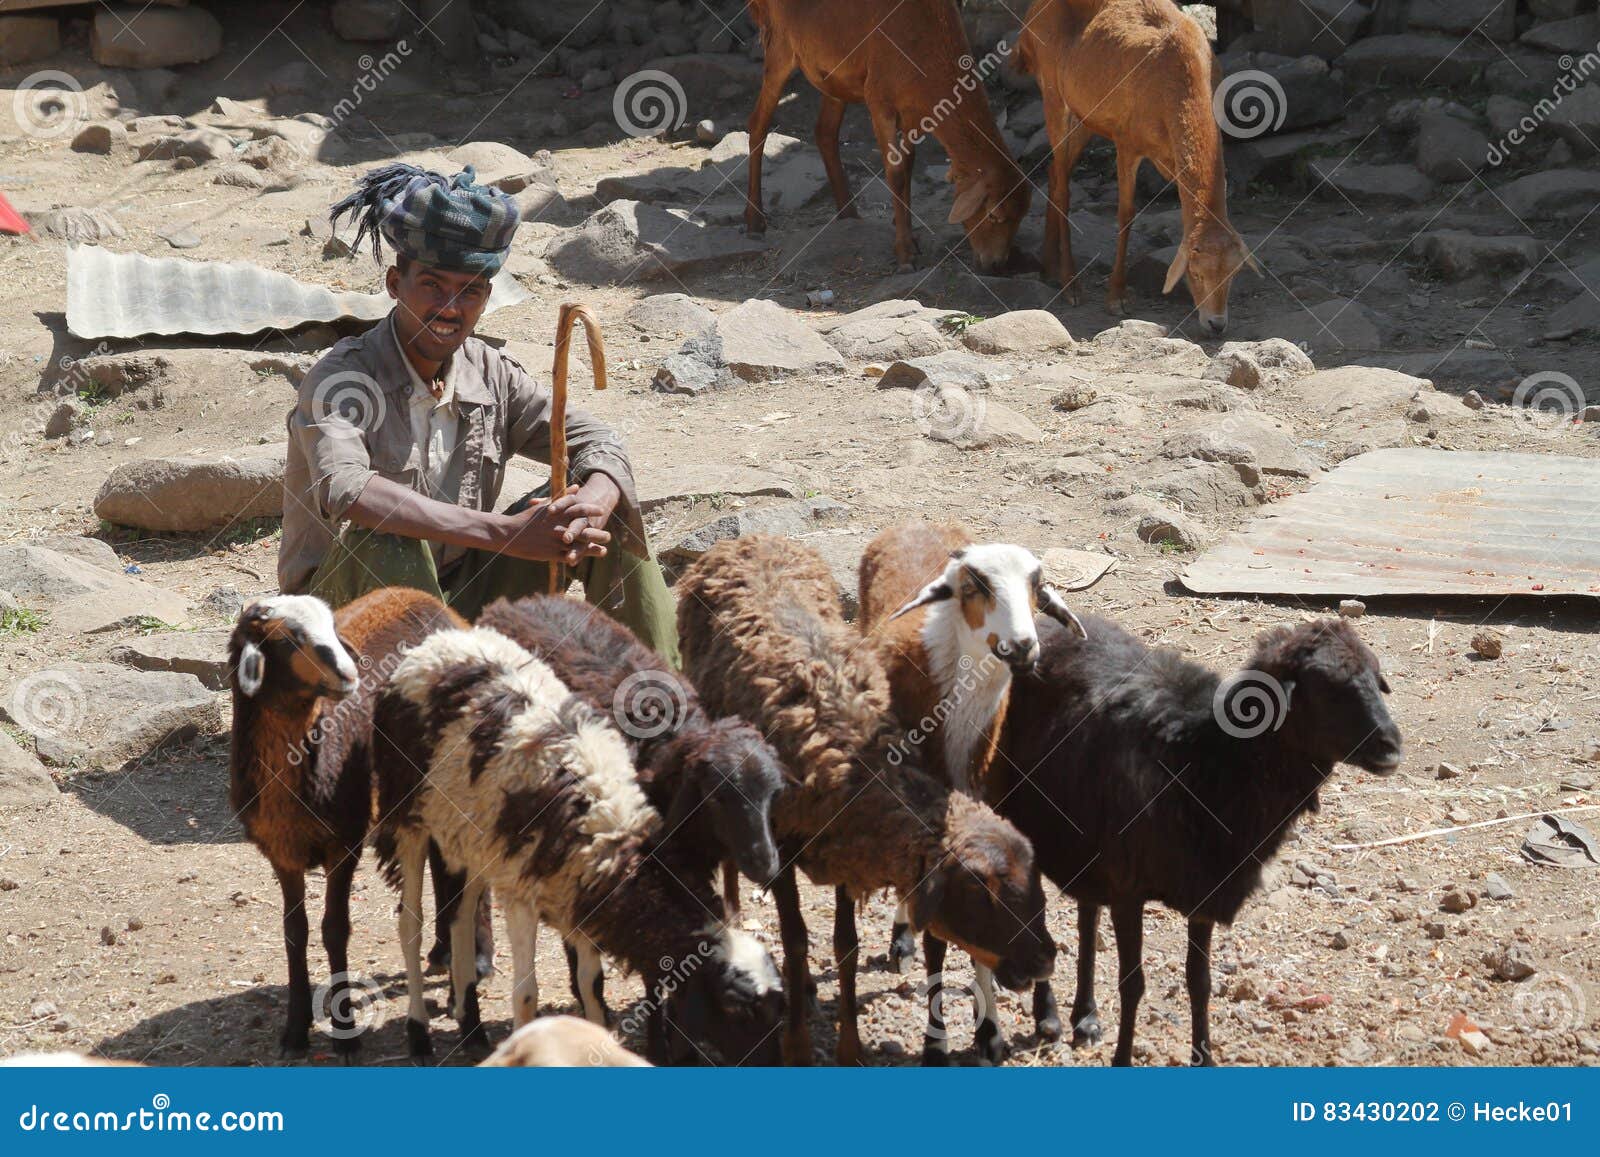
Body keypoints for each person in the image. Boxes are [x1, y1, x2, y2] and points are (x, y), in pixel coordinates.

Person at [278, 162, 679, 664]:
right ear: (394, 284)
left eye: (470, 291)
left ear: (487, 297)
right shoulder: (344, 379)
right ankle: (423, 720)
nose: (450, 307)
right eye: (432, 285)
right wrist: (505, 534)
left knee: (591, 502)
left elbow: (596, 438)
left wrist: (593, 503)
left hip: (460, 601)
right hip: (339, 624)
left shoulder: (489, 372)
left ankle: (664, 700)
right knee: (389, 540)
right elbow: (348, 490)